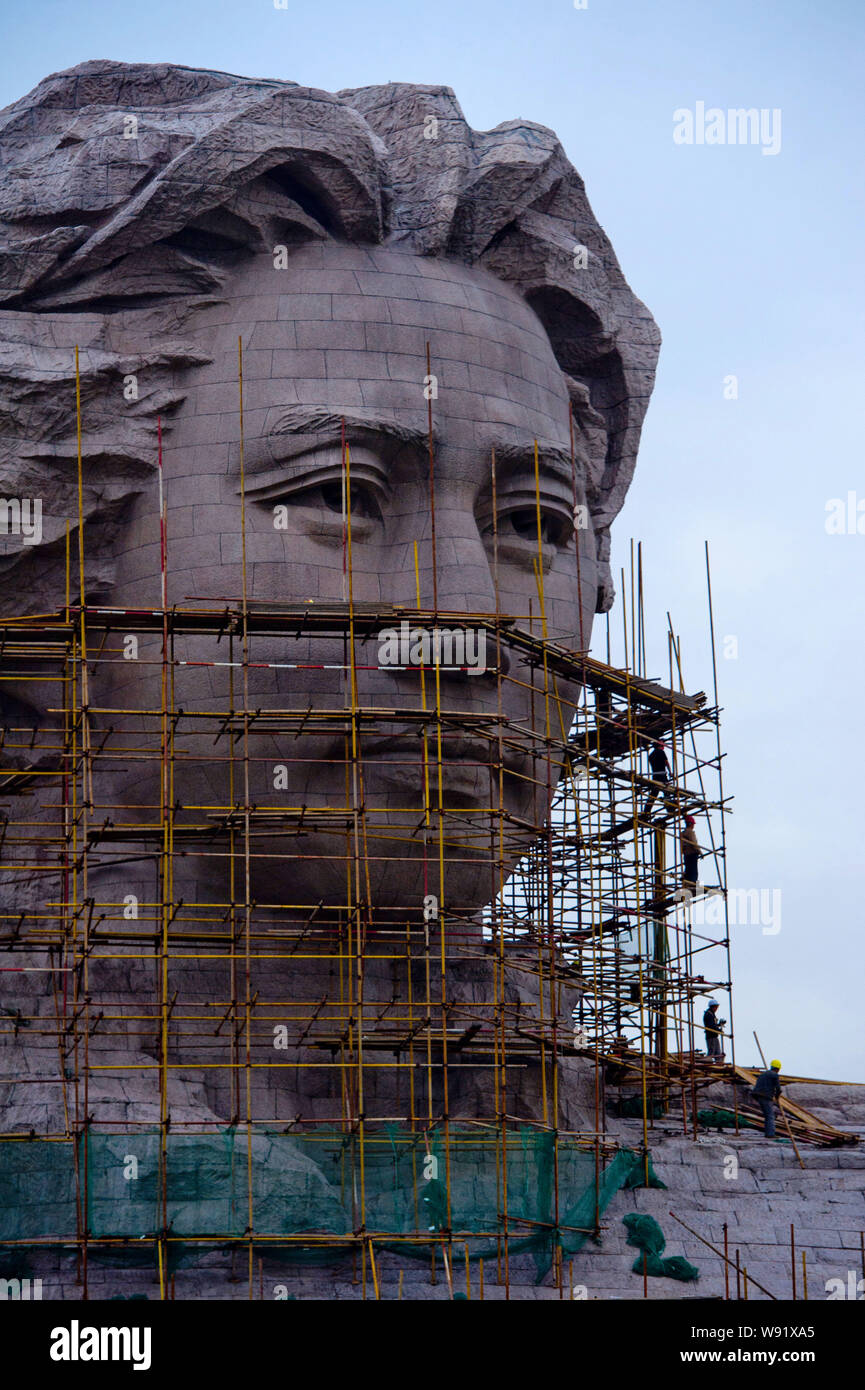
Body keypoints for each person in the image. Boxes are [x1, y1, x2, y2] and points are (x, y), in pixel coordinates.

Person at [752, 1060, 783, 1137]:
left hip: (757, 1095)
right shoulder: (775, 1075)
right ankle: (770, 1134)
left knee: (767, 1115)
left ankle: (768, 1132)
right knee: (770, 1115)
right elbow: (778, 1088)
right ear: (778, 1068)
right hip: (765, 1096)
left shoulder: (763, 1074)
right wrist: (777, 1096)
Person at [643, 740, 672, 816]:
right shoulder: (661, 752)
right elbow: (666, 763)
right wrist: (670, 772)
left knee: (654, 793)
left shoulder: (651, 755)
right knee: (667, 791)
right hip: (662, 774)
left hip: (655, 775)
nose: (664, 746)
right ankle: (669, 809)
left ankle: (646, 810)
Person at [681, 815, 702, 892]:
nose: (693, 826)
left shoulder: (682, 833)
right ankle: (692, 885)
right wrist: (700, 852)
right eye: (693, 824)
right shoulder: (690, 832)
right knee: (693, 871)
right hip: (692, 853)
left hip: (686, 854)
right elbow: (694, 844)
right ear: (690, 824)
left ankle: (687, 884)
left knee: (688, 870)